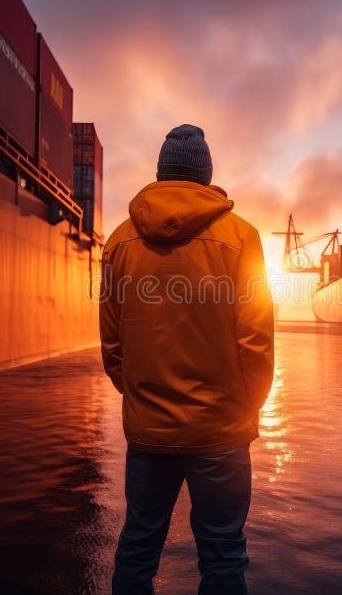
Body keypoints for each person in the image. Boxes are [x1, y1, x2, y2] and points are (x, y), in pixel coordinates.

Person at [99, 124, 275, 595]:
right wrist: (243, 405)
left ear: (161, 173)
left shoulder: (118, 243)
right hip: (221, 430)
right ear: (205, 174)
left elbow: (112, 348)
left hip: (148, 429)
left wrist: (144, 395)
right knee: (222, 555)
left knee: (137, 547)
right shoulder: (242, 239)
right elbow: (256, 342)